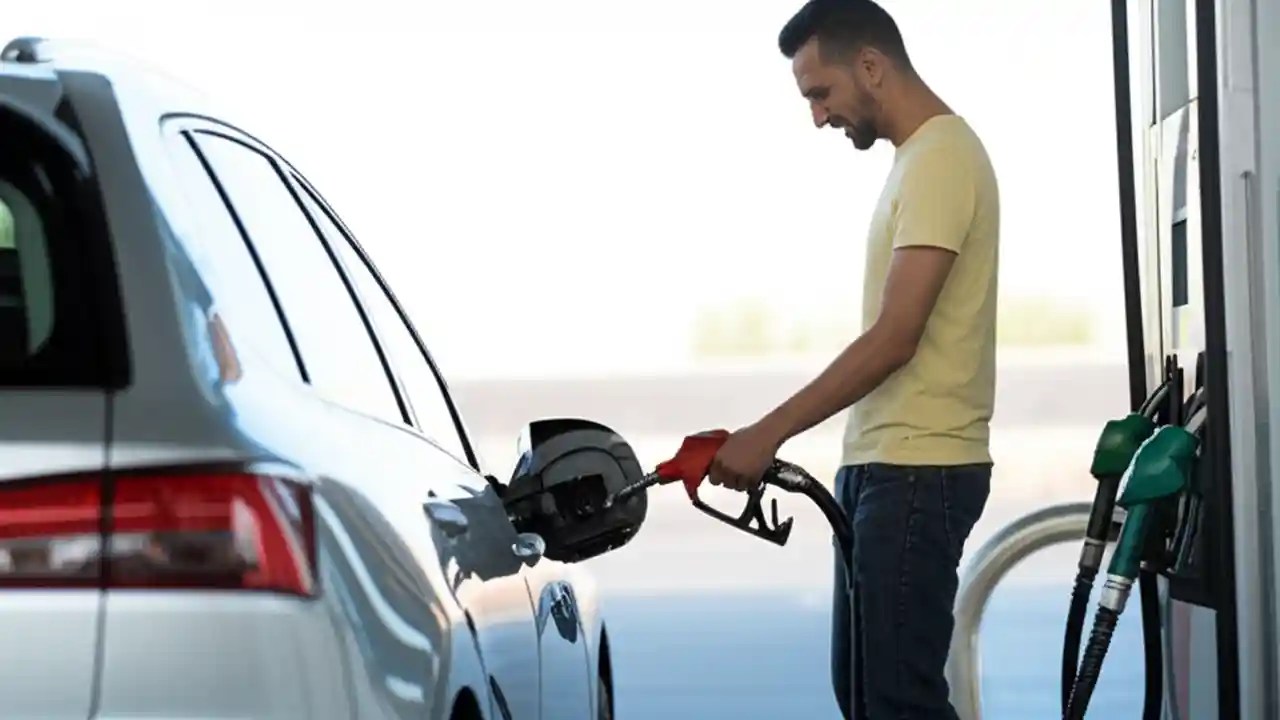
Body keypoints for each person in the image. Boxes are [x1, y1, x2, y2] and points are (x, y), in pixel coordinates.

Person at [704, 1, 999, 718]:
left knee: (896, 703)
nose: (818, 116)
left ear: (870, 66)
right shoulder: (917, 163)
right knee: (869, 697)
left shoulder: (943, 159)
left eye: (820, 93)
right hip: (886, 466)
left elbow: (895, 338)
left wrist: (766, 432)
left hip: (918, 471)